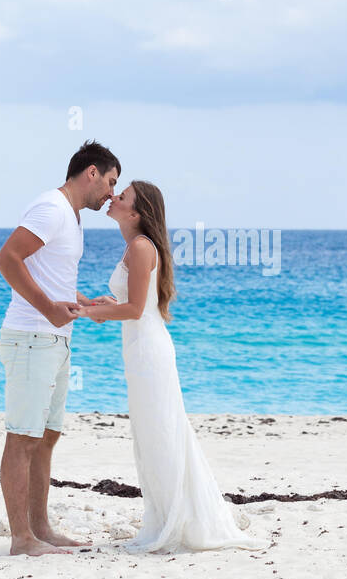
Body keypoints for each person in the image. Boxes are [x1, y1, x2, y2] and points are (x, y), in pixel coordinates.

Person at [79, 181, 269, 552]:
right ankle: (169, 516)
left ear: (135, 213)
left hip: (148, 349)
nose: (113, 198)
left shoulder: (139, 247)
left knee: (160, 434)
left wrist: (90, 310)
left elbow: (134, 310)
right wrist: (103, 305)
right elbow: (136, 304)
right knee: (156, 433)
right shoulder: (139, 247)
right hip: (142, 345)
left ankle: (173, 522)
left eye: (122, 196)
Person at [0, 141, 120, 556]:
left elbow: (52, 276)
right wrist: (48, 309)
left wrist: (83, 302)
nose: (112, 194)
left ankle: (40, 528)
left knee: (47, 436)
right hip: (31, 336)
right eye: (110, 182)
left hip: (56, 339)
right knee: (23, 437)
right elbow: (8, 259)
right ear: (91, 173)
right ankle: (21, 539)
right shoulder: (51, 208)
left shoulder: (72, 216)